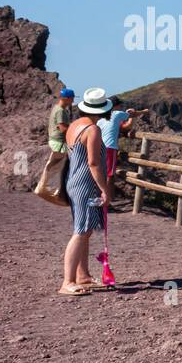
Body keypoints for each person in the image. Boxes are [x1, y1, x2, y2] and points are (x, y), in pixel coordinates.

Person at [59, 88, 114, 296]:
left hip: (74, 181)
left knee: (86, 229)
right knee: (81, 231)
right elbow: (93, 163)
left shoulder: (74, 125)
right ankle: (67, 282)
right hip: (86, 185)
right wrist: (104, 189)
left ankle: (83, 276)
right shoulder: (93, 130)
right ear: (100, 110)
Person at [96, 97, 150, 177]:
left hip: (99, 148)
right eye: (119, 105)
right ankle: (107, 190)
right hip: (110, 147)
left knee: (101, 173)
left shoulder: (100, 119)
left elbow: (124, 127)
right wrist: (144, 111)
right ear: (114, 106)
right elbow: (131, 118)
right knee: (109, 175)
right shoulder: (116, 113)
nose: (121, 107)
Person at [47, 88, 75, 154]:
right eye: (72, 98)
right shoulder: (60, 111)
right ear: (66, 98)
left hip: (55, 141)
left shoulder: (57, 108)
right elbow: (63, 129)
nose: (73, 101)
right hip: (58, 143)